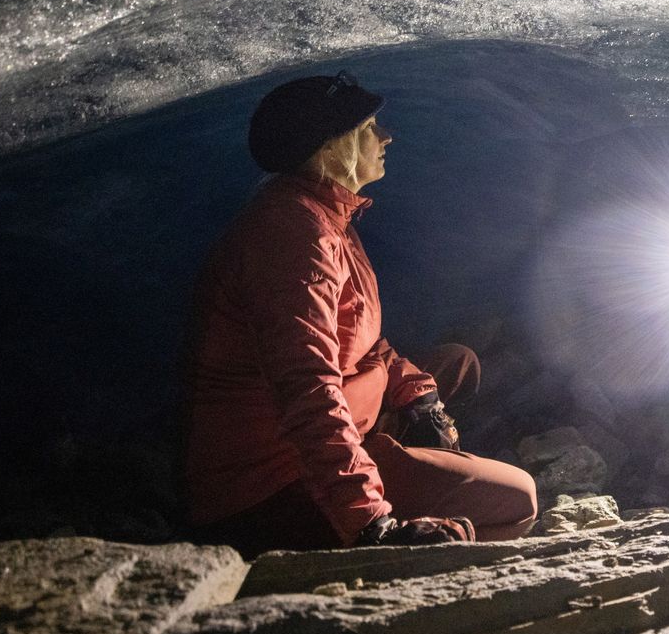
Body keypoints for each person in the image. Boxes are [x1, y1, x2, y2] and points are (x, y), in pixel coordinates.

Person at [183, 71, 536, 556]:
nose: (386, 135)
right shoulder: (294, 237)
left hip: (341, 422)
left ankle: (409, 456)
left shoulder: (326, 213)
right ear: (330, 148)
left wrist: (419, 396)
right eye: (369, 127)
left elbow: (364, 341)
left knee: (456, 365)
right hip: (273, 480)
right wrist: (369, 522)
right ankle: (371, 519)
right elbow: (306, 389)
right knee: (516, 500)